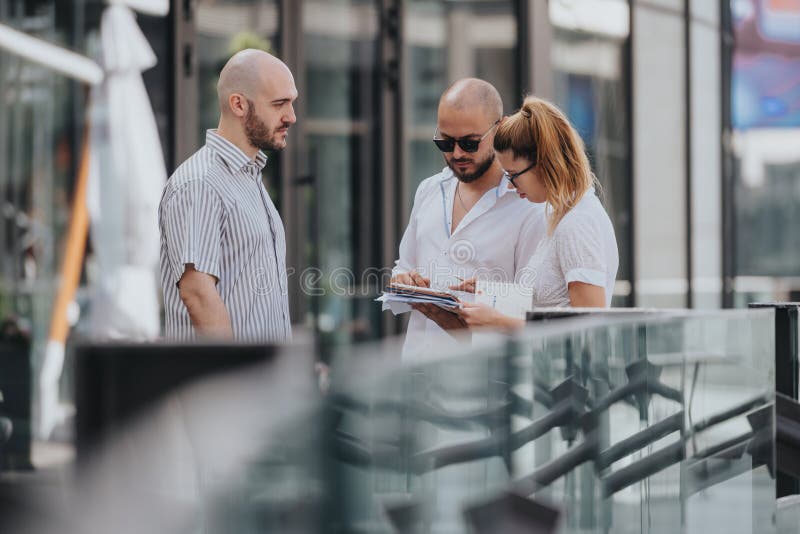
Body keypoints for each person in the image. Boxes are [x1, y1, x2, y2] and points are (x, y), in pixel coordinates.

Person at [390, 79, 546, 358]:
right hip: (418, 372)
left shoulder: (529, 206)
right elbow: (403, 266)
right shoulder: (429, 190)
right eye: (445, 142)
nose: (457, 153)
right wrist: (405, 280)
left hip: (488, 382)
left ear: (500, 127)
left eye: (470, 143)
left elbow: (532, 309)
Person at [158, 49, 298, 342]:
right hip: (226, 383)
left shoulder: (249, 178)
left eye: (291, 103)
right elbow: (197, 293)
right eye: (279, 104)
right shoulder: (201, 183)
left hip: (261, 379)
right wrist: (239, 378)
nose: (291, 117)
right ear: (238, 104)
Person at [457, 96, 619, 329]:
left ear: (544, 162)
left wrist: (497, 321)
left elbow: (589, 328)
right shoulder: (565, 213)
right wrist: (493, 292)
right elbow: (555, 299)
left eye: (513, 174)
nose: (511, 185)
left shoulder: (577, 223)